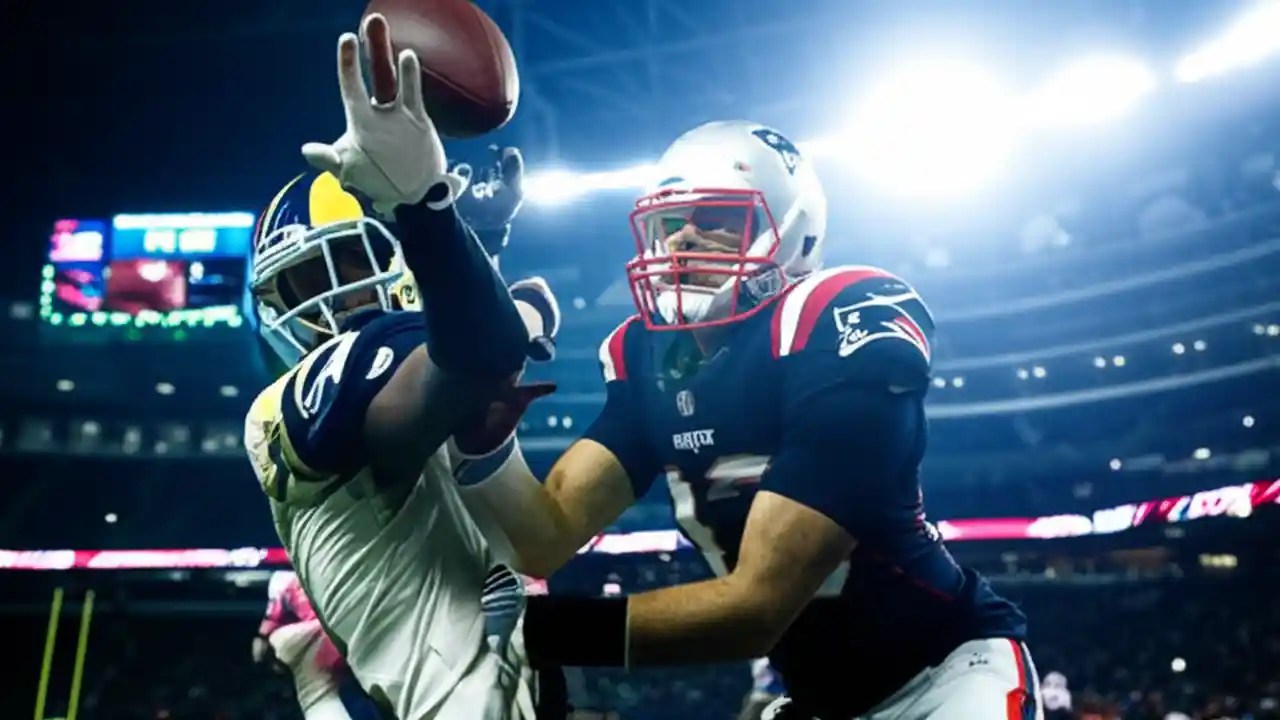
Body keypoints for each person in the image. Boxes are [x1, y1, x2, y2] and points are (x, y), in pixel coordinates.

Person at [467, 119, 1043, 720]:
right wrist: (483, 447)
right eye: (668, 225)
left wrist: (540, 632)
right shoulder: (646, 356)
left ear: (793, 232)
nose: (681, 242)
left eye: (716, 220)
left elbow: (757, 608)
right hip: (819, 702)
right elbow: (543, 533)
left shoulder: (831, 322)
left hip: (942, 680)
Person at [243, 13, 556, 720]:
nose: (342, 294)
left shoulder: (415, 360)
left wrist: (482, 249)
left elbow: (459, 347)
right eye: (310, 279)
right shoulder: (286, 404)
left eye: (360, 261)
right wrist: (428, 210)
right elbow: (471, 355)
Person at [253, 571, 380, 720]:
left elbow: (272, 615)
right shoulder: (286, 637)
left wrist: (261, 637)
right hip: (344, 641)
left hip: (338, 643)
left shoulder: (287, 585)